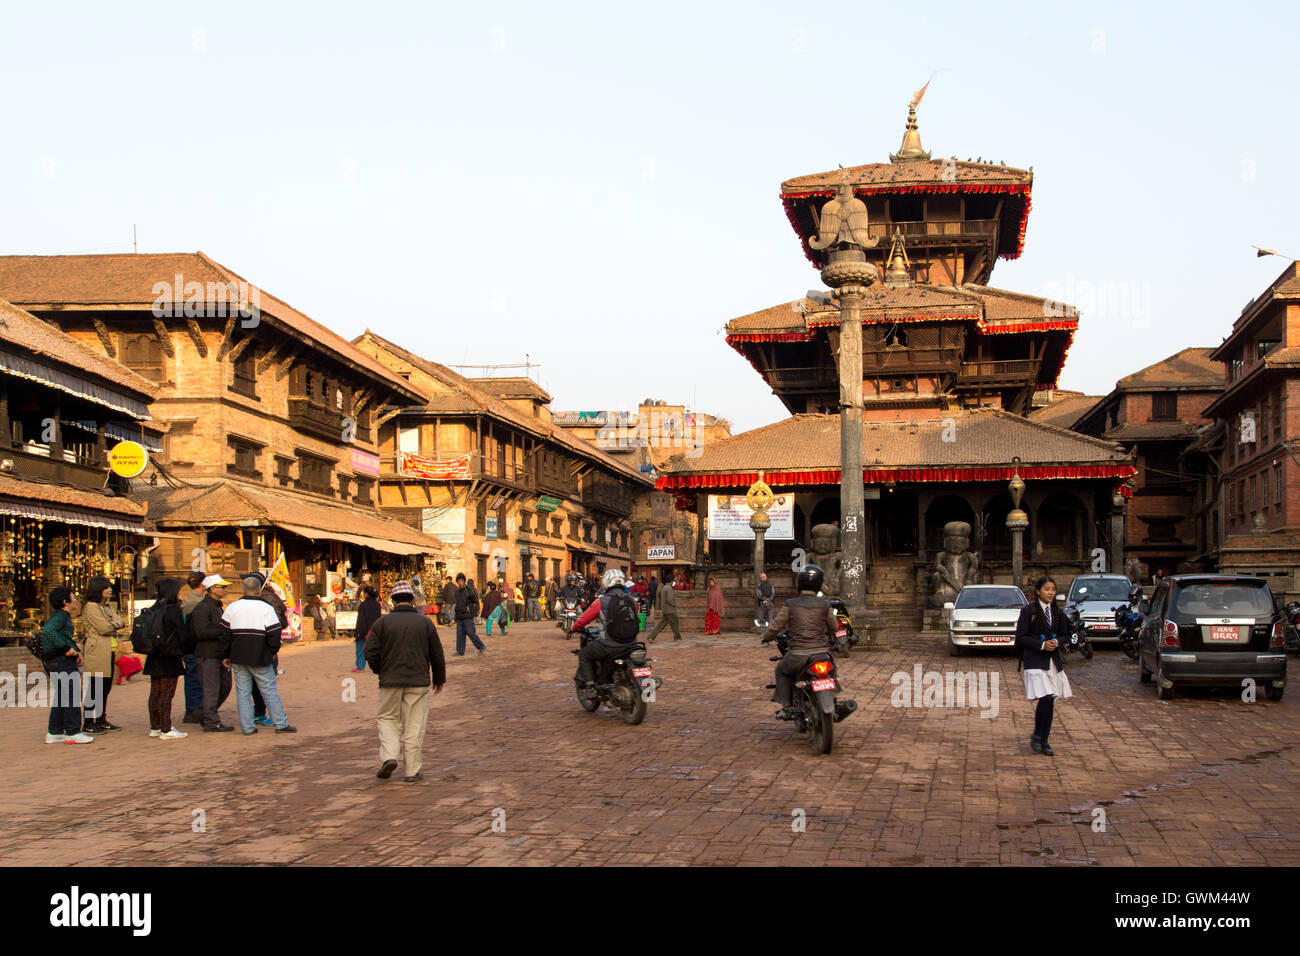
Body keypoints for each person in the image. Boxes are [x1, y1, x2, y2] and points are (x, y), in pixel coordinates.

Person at [365, 579, 446, 782]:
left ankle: (390, 756)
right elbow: (436, 653)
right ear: (412, 599)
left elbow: (370, 651)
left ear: (393, 600)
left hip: (389, 680)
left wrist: (379, 669)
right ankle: (412, 770)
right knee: (414, 724)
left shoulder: (382, 623)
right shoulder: (425, 622)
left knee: (388, 718)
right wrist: (438, 678)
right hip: (418, 680)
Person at [220, 575, 297, 735]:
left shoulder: (232, 607)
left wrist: (227, 654)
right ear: (259, 591)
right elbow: (274, 633)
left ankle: (247, 727)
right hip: (260, 656)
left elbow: (224, 634)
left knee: (242, 692)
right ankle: (281, 724)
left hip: (238, 656)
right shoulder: (266, 608)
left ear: (243, 590)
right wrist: (272, 651)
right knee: (269, 691)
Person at [761, 563, 837, 718]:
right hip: (821, 653)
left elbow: (775, 627)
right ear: (819, 584)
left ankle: (787, 706)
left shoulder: (791, 604)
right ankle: (834, 697)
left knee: (781, 671)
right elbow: (834, 627)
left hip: (797, 655)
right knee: (831, 670)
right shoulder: (825, 604)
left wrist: (766, 637)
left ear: (800, 582)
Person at [1014, 574, 1072, 756]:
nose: (1051, 593)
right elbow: (1021, 637)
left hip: (1052, 661)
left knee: (1050, 700)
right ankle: (1038, 735)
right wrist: (1041, 644)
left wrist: (1058, 642)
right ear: (1038, 591)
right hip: (1034, 660)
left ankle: (1043, 739)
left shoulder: (1057, 612)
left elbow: (1065, 633)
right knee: (1045, 697)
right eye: (1047, 589)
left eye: (1053, 589)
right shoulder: (1028, 611)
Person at [571, 569, 642, 696]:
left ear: (606, 582)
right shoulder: (631, 600)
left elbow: (583, 620)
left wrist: (574, 628)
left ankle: (591, 687)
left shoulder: (601, 601)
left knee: (584, 655)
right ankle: (645, 691)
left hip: (609, 646)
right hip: (631, 644)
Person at [41, 586, 93, 744]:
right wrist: (67, 648)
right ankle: (72, 731)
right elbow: (48, 631)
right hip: (61, 661)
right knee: (72, 695)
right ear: (65, 602)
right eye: (73, 597)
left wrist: (75, 650)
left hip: (56, 660)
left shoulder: (60, 616)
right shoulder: (61, 616)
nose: (76, 600)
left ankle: (55, 731)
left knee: (63, 696)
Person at [144, 578, 194, 739]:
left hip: (154, 654)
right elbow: (182, 634)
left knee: (155, 692)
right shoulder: (173, 610)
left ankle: (155, 726)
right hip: (170, 655)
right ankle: (166, 728)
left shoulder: (154, 609)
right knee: (167, 693)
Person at [188, 574, 234, 732]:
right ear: (212, 589)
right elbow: (201, 631)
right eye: (222, 587)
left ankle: (202, 714)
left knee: (224, 687)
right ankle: (211, 721)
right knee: (212, 689)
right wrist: (224, 630)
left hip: (218, 654)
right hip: (207, 654)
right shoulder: (203, 607)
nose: (225, 590)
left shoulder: (216, 606)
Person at [79, 576, 125, 733]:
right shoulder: (91, 607)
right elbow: (105, 628)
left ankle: (100, 719)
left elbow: (121, 622)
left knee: (105, 688)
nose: (110, 590)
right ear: (98, 589)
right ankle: (88, 722)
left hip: (109, 650)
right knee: (95, 688)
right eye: (107, 587)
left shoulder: (106, 606)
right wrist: (114, 623)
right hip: (97, 651)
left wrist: (115, 623)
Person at [179, 570, 206, 724]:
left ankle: (195, 710)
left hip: (192, 645)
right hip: (193, 645)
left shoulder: (193, 599)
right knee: (194, 679)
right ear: (202, 583)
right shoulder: (195, 602)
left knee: (195, 678)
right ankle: (193, 711)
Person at [647, 568, 683, 643]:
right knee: (675, 623)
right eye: (673, 580)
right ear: (671, 581)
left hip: (665, 609)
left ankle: (651, 636)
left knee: (661, 625)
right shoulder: (669, 588)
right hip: (670, 610)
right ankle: (677, 638)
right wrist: (674, 605)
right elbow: (670, 599)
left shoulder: (664, 587)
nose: (674, 581)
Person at [452, 573, 485, 655]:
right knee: (460, 634)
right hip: (460, 616)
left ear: (464, 581)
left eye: (461, 581)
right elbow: (457, 604)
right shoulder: (457, 592)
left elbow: (476, 602)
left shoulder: (469, 591)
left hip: (468, 615)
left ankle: (481, 646)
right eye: (458, 581)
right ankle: (460, 651)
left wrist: (475, 614)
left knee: (471, 633)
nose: (460, 582)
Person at [354, 585, 382, 672]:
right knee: (377, 649)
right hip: (375, 629)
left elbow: (361, 619)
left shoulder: (363, 605)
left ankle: (360, 667)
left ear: (366, 594)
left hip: (364, 630)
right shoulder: (377, 605)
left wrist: (358, 632)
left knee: (360, 649)